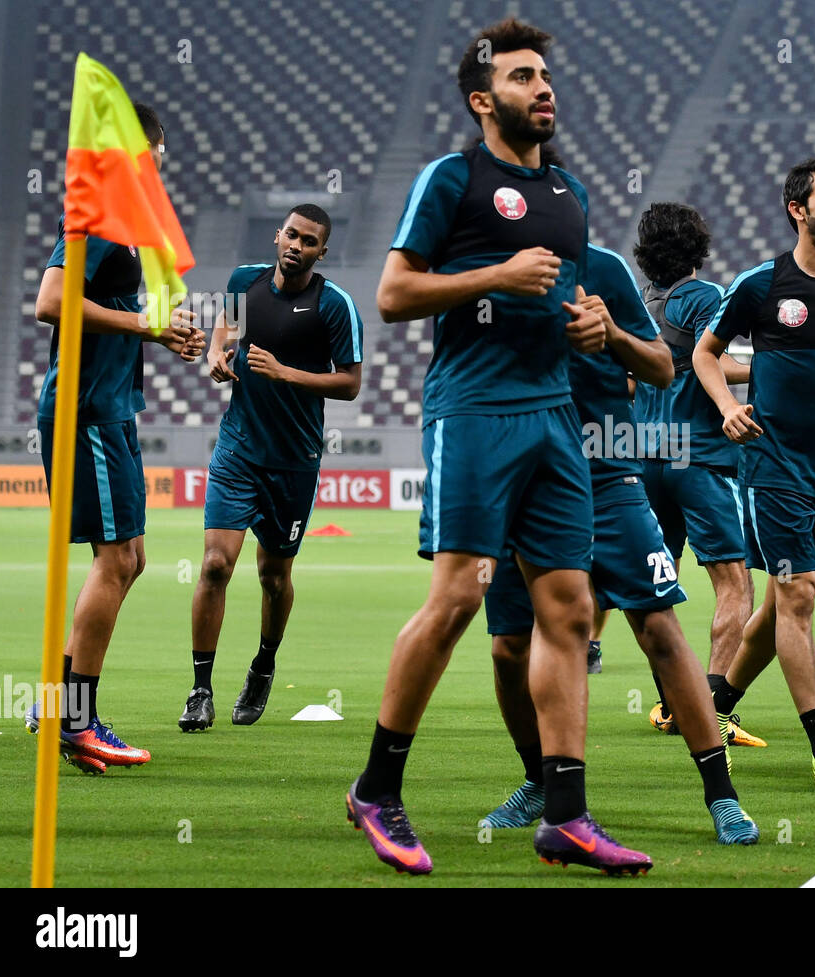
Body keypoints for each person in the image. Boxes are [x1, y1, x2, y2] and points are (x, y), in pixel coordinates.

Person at [344, 18, 650, 876]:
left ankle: (567, 816)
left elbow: (576, 297)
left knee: (571, 613)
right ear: (483, 100)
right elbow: (396, 292)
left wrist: (595, 324)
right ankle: (377, 788)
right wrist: (496, 275)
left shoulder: (570, 194)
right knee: (456, 602)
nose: (543, 88)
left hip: (556, 418)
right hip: (474, 412)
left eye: (546, 76)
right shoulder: (452, 177)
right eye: (522, 78)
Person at [480, 241, 758, 845]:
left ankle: (722, 795)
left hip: (606, 472)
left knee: (658, 626)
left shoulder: (602, 271)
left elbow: (661, 366)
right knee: (507, 647)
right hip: (516, 478)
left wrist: (611, 335)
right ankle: (538, 783)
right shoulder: (482, 270)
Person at [692, 158, 815, 785]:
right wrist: (727, 408)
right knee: (800, 593)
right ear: (797, 210)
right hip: (773, 464)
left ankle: (714, 707)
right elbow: (705, 353)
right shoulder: (760, 284)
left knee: (782, 601)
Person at [28, 103, 204, 773]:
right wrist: (148, 329)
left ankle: (59, 704)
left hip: (109, 406)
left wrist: (164, 326)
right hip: (85, 409)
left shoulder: (126, 223)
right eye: (158, 153)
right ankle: (75, 720)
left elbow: (117, 311)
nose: (161, 167)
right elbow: (51, 301)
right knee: (118, 559)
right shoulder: (101, 211)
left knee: (129, 557)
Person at [177, 204, 364, 731]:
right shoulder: (244, 281)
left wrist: (286, 373)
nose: (295, 245)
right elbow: (223, 331)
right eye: (290, 234)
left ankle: (262, 666)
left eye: (308, 241)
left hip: (294, 462)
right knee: (215, 564)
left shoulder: (335, 305)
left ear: (321, 251)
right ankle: (200, 690)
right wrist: (217, 356)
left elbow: (350, 383)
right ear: (277, 235)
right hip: (238, 450)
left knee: (274, 576)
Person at [630, 202, 763, 749]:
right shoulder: (706, 298)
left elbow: (647, 371)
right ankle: (712, 708)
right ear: (697, 246)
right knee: (734, 583)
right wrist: (771, 370)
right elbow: (710, 359)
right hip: (699, 457)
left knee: (660, 582)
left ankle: (670, 701)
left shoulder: (638, 303)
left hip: (642, 456)